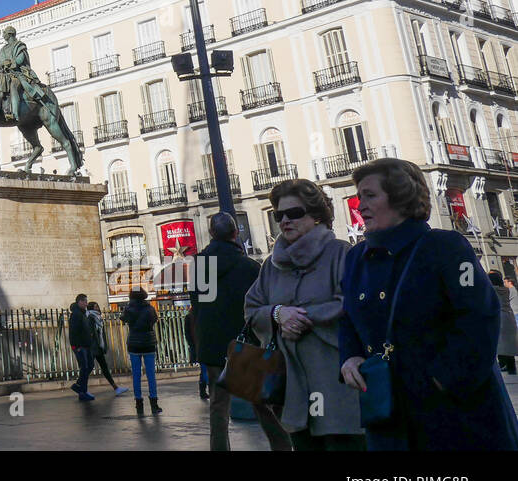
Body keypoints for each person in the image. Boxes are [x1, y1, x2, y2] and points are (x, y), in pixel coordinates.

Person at [339, 158, 518, 450]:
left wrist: (442, 380)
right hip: (388, 415)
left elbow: (479, 318)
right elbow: (347, 317)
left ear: (401, 196)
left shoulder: (446, 247)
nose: (360, 206)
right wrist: (349, 357)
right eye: (359, 197)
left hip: (454, 414)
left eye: (370, 195)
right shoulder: (355, 258)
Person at [244, 179, 363, 450]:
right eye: (279, 215)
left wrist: (303, 317)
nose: (285, 220)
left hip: (336, 383)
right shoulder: (271, 267)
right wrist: (277, 314)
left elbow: (352, 304)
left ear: (316, 215)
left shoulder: (340, 253)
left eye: (294, 213)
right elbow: (252, 308)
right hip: (292, 388)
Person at [193, 212, 293, 451]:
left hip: (211, 344)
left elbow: (196, 308)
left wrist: (198, 344)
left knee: (218, 404)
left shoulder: (199, 265)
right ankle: (282, 446)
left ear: (211, 234)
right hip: (245, 343)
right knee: (261, 400)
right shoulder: (249, 266)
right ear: (236, 234)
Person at [121, 288, 161, 414]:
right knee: (151, 375)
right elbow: (154, 320)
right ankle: (154, 404)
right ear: (144, 295)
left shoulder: (128, 309)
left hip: (134, 344)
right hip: (148, 343)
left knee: (136, 375)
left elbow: (123, 319)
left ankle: (139, 404)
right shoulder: (149, 308)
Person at [86, 301, 127, 395]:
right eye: (96, 307)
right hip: (93, 347)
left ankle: (116, 388)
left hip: (98, 346)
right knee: (89, 368)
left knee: (103, 367)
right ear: (91, 308)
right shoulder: (91, 318)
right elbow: (92, 333)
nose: (98, 308)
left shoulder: (98, 318)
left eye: (97, 306)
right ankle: (81, 387)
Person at [67, 294, 96, 401]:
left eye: (86, 301)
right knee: (84, 367)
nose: (86, 304)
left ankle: (79, 387)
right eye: (84, 301)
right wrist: (77, 346)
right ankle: (82, 391)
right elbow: (73, 332)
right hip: (80, 346)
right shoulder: (76, 314)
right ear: (79, 302)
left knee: (89, 366)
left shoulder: (82, 314)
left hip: (85, 345)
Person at [491, 271, 518, 374]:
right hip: (509, 316)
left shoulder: (493, 290)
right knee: (509, 343)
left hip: (499, 317)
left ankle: (502, 364)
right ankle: (511, 367)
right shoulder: (506, 290)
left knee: (500, 343)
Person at [184, 306, 208, 400]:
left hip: (198, 345)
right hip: (202, 345)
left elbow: (187, 334)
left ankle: (203, 390)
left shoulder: (189, 316)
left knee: (204, 369)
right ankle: (205, 389)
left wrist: (192, 345)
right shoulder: (201, 315)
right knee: (205, 369)